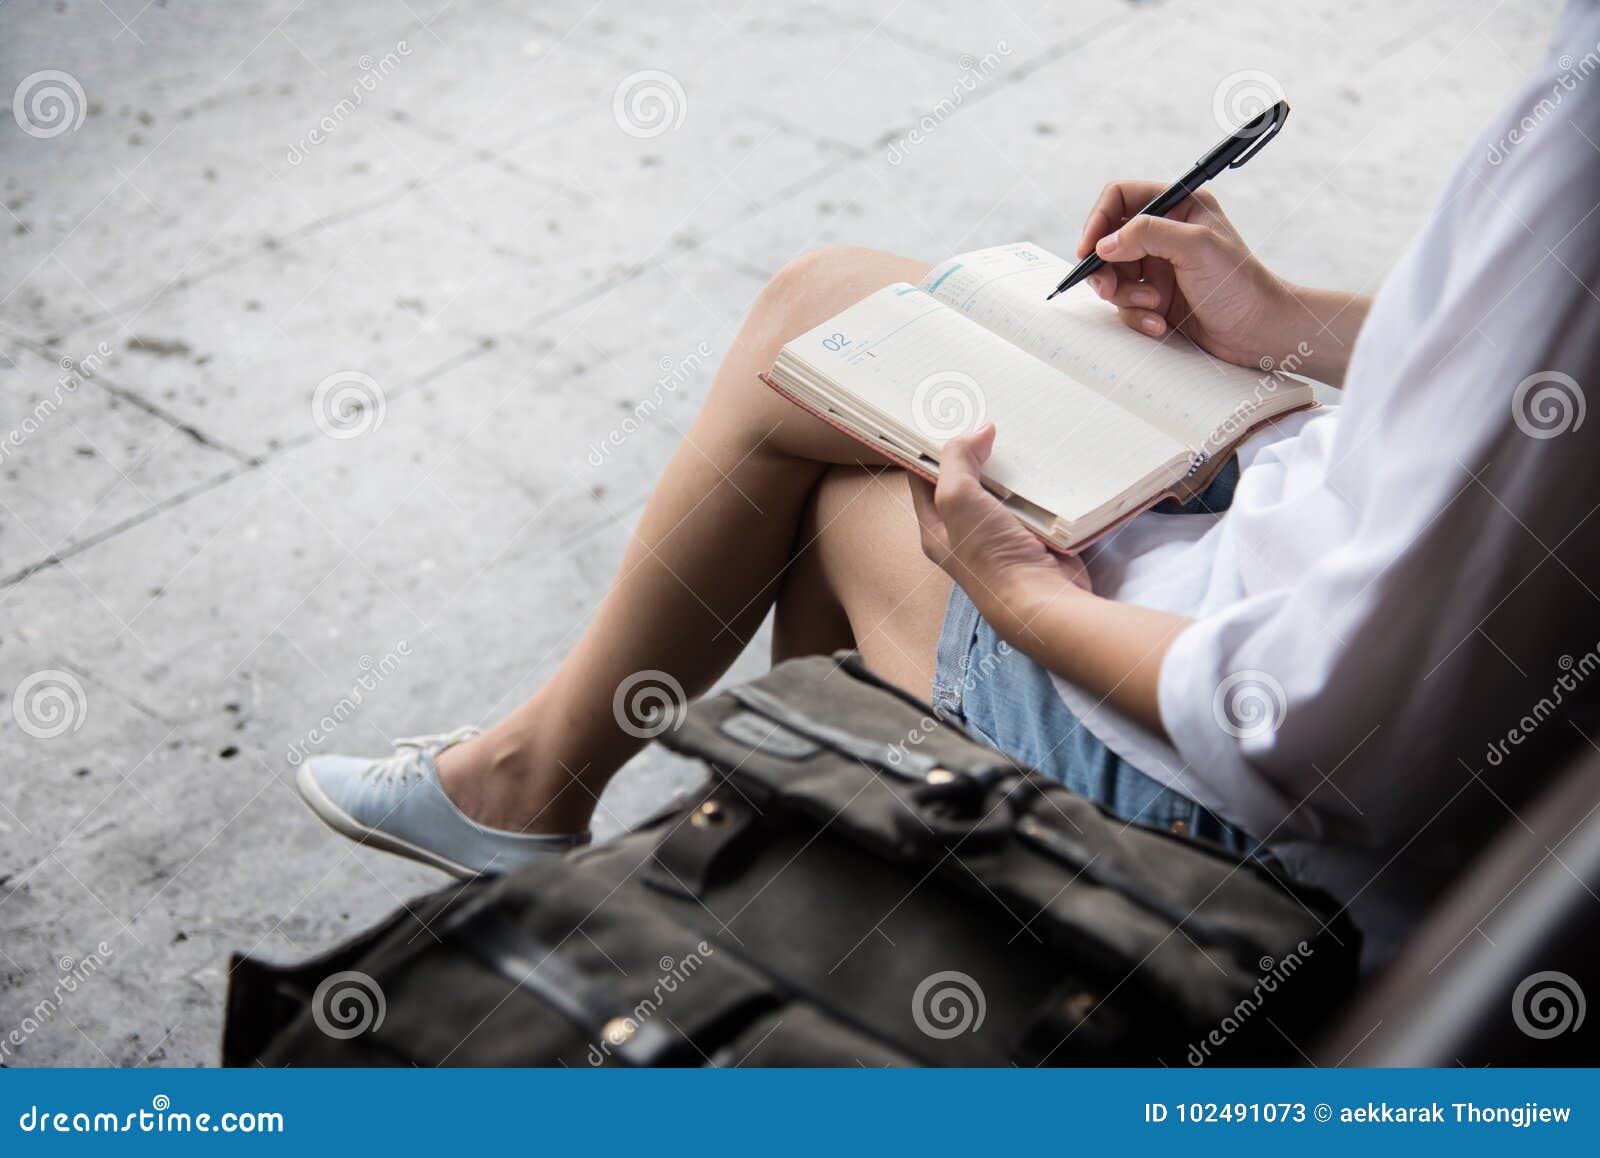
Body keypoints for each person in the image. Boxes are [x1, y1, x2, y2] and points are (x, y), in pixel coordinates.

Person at [297, 0, 1600, 968]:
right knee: (828, 308)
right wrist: (1277, 321)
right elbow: (1517, 384)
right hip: (1304, 550)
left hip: (1265, 819)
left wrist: (1024, 599)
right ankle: (588, 809)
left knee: (832, 475)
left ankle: (689, 864)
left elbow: (1322, 717)